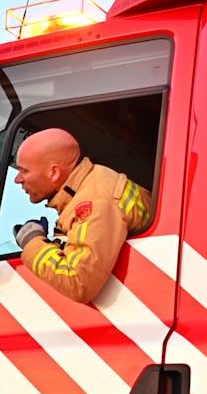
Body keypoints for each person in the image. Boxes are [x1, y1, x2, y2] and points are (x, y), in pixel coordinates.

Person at [9, 127, 155, 304]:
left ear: (53, 172)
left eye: (24, 171)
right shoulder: (88, 186)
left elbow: (78, 283)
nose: (17, 179)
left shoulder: (96, 202)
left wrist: (31, 241)